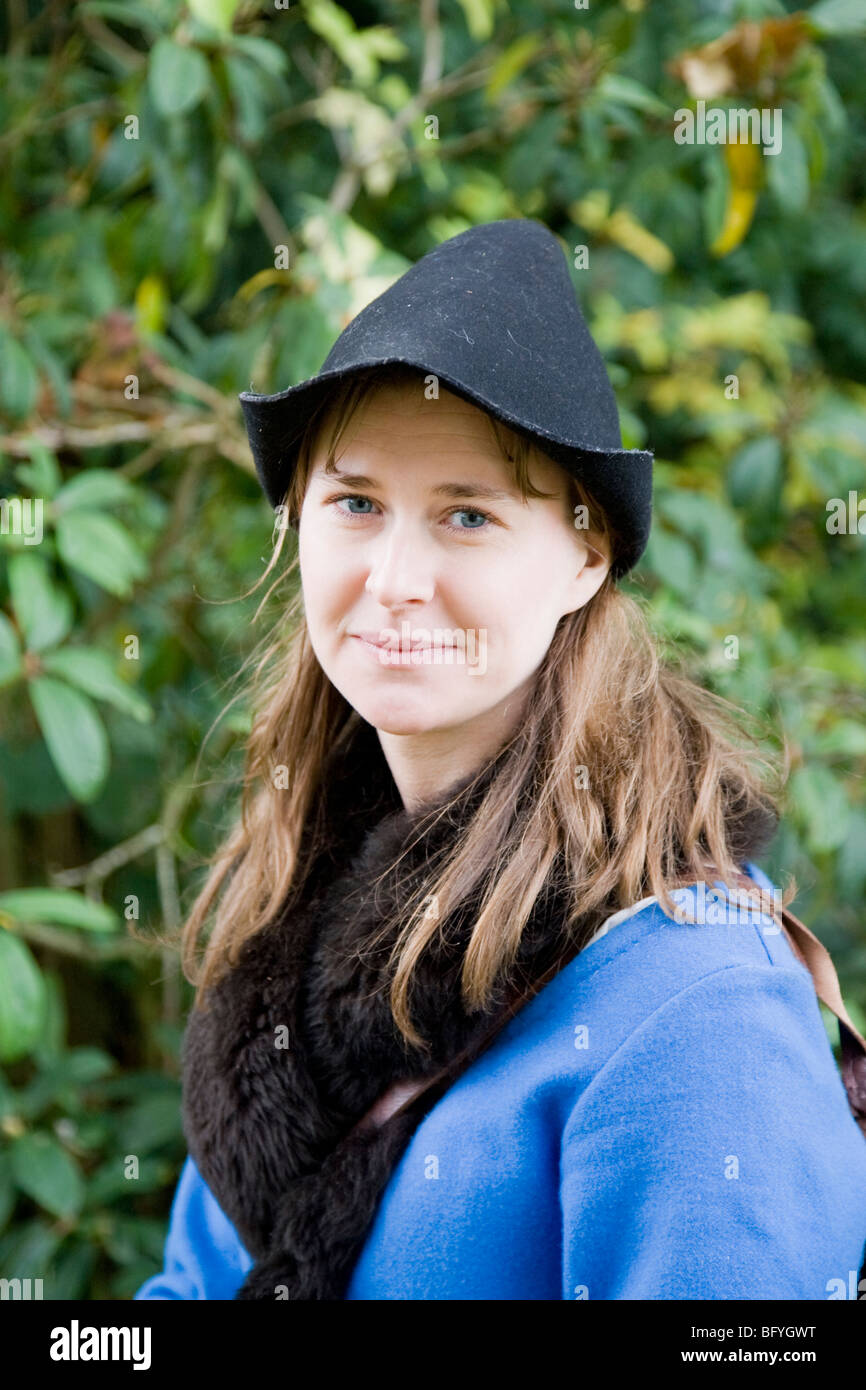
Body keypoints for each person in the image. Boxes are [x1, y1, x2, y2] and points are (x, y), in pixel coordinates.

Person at [135, 220, 866, 1301]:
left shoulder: (694, 1006)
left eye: (467, 516)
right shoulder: (296, 920)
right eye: (355, 503)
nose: (393, 577)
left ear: (583, 554)